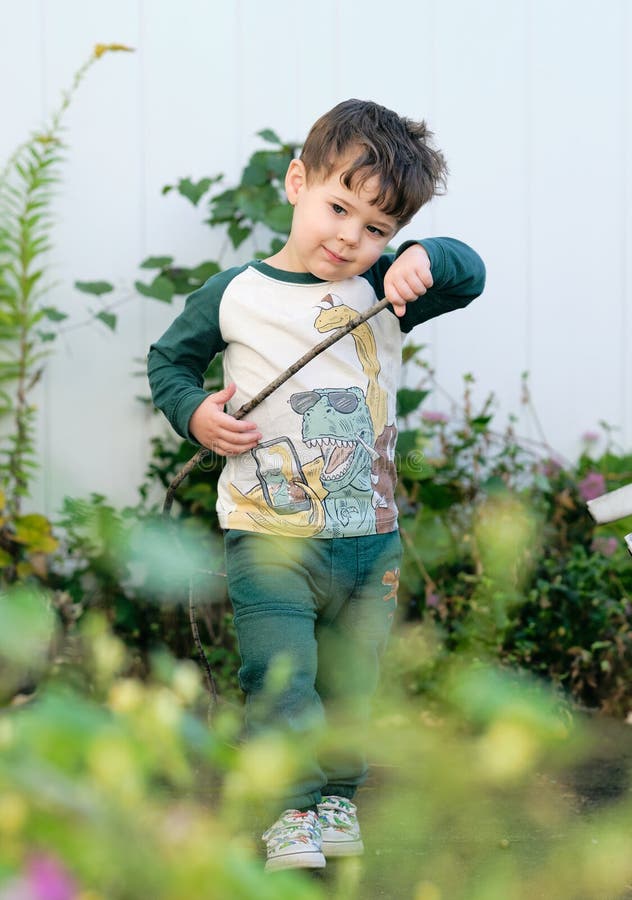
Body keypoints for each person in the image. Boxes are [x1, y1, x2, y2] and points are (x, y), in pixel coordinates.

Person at [148, 99, 485, 872]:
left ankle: (336, 797)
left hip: (370, 541)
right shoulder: (236, 295)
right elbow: (168, 363)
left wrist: (428, 256)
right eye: (339, 206)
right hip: (270, 539)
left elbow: (472, 275)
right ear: (297, 182)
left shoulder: (381, 290)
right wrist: (196, 415)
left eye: (376, 227)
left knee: (351, 684)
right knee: (280, 678)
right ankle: (289, 811)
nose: (350, 237)